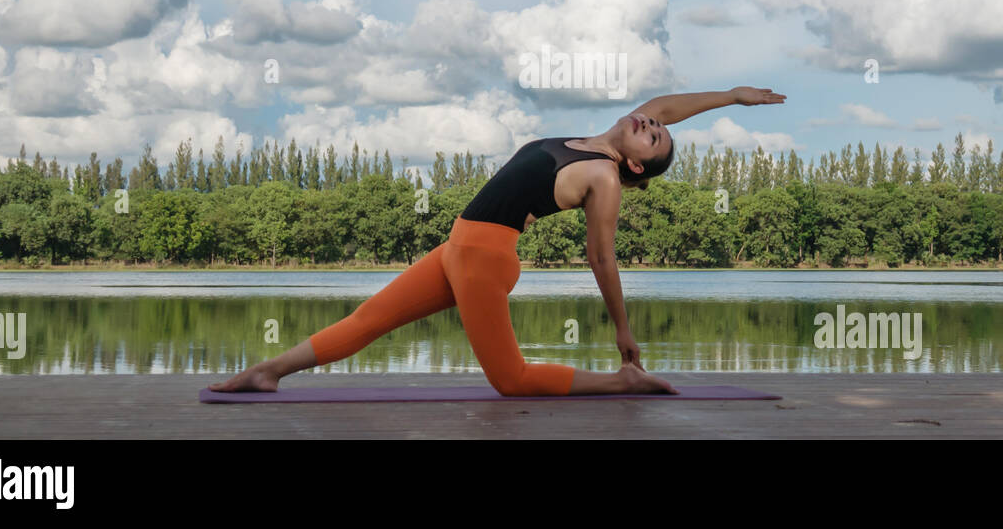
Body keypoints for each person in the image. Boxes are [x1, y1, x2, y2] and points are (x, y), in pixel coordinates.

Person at [207, 86, 785, 396]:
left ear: (636, 167)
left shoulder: (604, 176)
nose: (653, 125)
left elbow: (601, 258)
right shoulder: (595, 139)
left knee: (511, 382)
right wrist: (733, 97)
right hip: (456, 249)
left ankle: (622, 381)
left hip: (485, 259)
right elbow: (667, 106)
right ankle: (268, 371)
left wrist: (623, 330)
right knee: (366, 322)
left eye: (654, 138)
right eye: (653, 125)